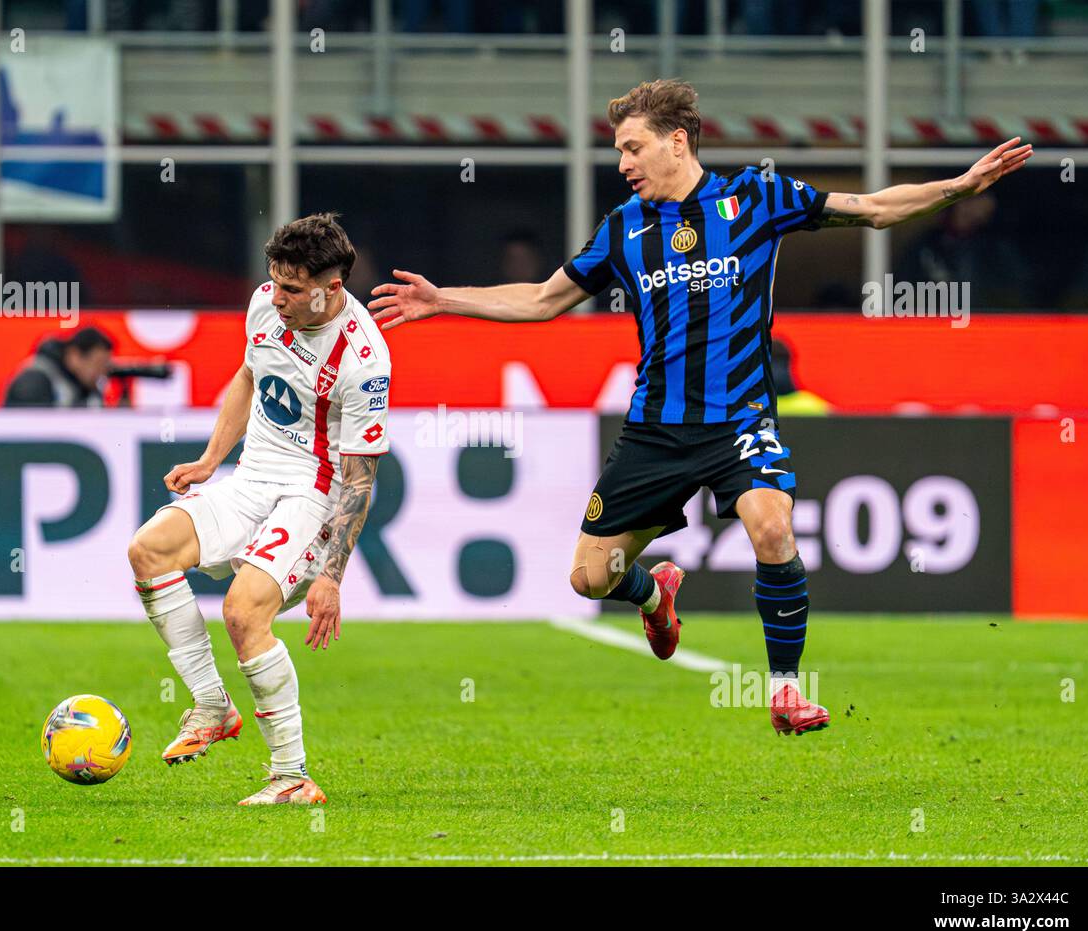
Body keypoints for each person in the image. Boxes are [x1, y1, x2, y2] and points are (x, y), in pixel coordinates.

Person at [370, 79, 1031, 737]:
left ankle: (786, 691)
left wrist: (955, 187)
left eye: (632, 148)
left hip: (740, 420)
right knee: (591, 579)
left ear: (677, 142)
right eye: (619, 151)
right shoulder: (623, 229)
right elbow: (544, 300)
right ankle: (655, 595)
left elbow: (873, 208)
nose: (623, 164)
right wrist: (445, 300)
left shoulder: (757, 198)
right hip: (656, 429)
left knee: (771, 526)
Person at [127, 213, 390, 805]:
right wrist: (209, 459)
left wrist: (332, 576)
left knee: (243, 613)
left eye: (293, 288)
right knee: (148, 550)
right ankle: (212, 706)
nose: (278, 297)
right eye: (273, 281)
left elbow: (358, 477)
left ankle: (291, 777)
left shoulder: (364, 358)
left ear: (334, 288)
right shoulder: (265, 306)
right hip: (251, 479)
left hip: (311, 496)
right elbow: (249, 375)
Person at [2, 326, 113, 407]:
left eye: (105, 366)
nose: (102, 372)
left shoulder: (85, 388)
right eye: (98, 364)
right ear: (75, 356)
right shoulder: (35, 381)